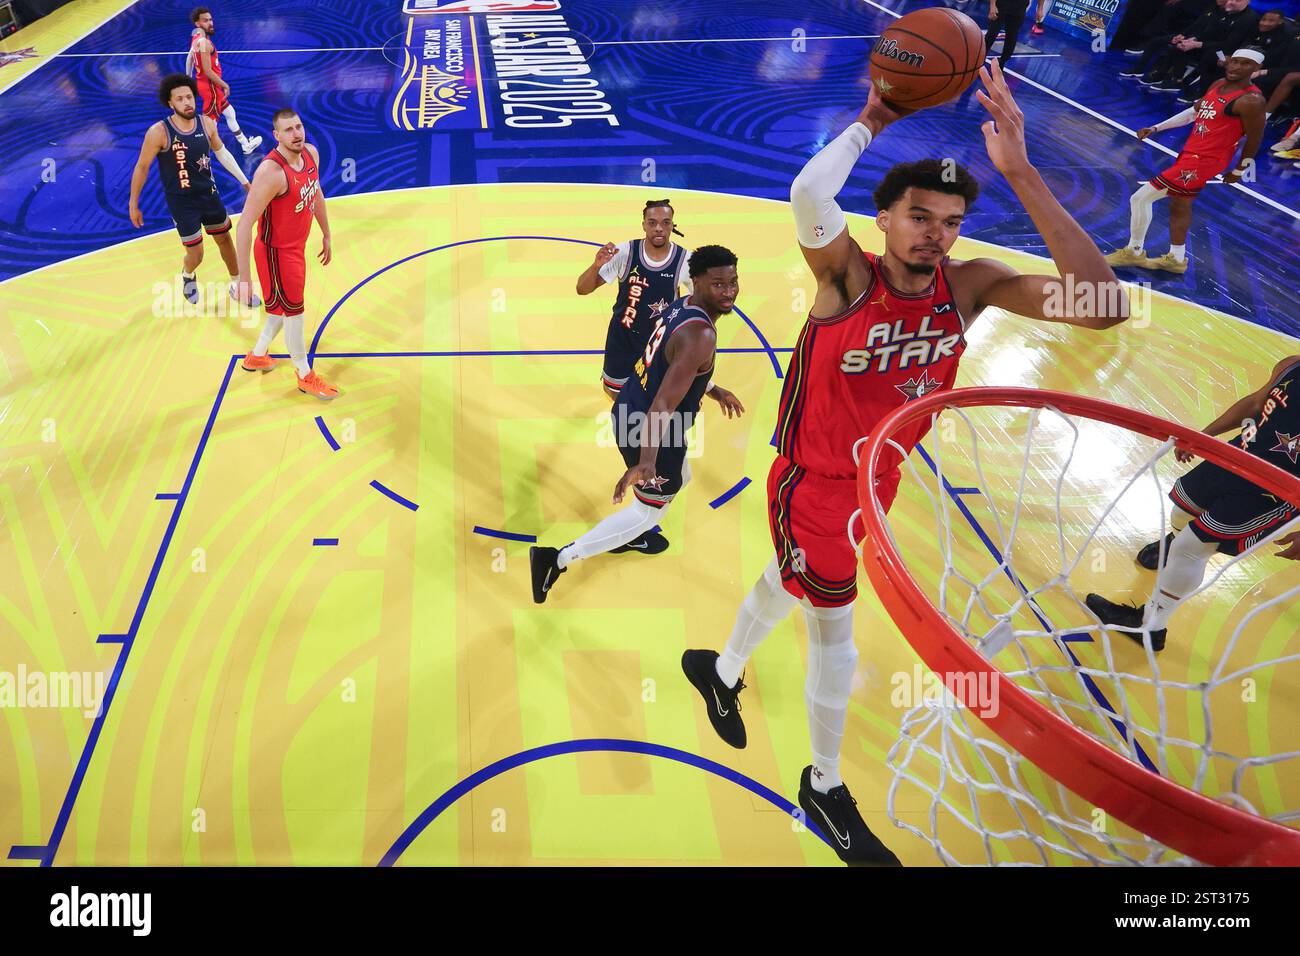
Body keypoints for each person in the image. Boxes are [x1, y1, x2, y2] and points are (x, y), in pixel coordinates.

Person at [680, 61, 1127, 865]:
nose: (936, 233)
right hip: (814, 482)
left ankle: (718, 668)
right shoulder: (846, 278)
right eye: (919, 216)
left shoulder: (971, 286)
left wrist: (1021, 174)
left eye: (951, 221)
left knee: (793, 580)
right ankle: (822, 785)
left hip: (875, 481)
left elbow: (1102, 308)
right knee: (835, 633)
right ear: (883, 220)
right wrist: (874, 118)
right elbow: (809, 199)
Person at [530, 246, 744, 601]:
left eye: (733, 282)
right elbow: (663, 404)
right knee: (647, 511)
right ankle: (557, 559)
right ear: (700, 281)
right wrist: (646, 462)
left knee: (681, 478)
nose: (729, 291)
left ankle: (631, 527)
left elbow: (668, 362)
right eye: (718, 284)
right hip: (652, 427)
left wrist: (712, 388)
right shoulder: (701, 335)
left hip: (630, 404)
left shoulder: (682, 304)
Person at [1087, 354, 1300, 651]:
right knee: (1182, 510)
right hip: (1238, 457)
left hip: (1274, 491)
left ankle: (1150, 626)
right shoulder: (1292, 365)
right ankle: (1171, 545)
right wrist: (1203, 437)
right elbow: (1254, 404)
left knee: (1191, 548)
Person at [575, 200, 744, 553]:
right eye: (652, 222)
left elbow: (692, 315)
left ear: (672, 225)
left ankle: (641, 481)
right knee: (640, 419)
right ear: (643, 224)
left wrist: (708, 386)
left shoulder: (684, 265)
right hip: (627, 357)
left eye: (664, 223)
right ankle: (641, 484)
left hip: (659, 356)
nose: (658, 229)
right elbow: (582, 288)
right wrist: (596, 266)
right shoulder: (624, 252)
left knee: (641, 420)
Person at [1106, 51, 1265, 274]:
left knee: (1140, 198)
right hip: (1191, 153)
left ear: (1255, 70)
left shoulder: (1251, 100)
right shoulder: (1218, 84)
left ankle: (1133, 252)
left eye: (1245, 64)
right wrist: (1156, 128)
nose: (1236, 66)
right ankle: (1177, 259)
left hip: (1206, 161)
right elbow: (1193, 112)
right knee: (1180, 204)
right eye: (1235, 60)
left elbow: (1255, 138)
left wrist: (1240, 169)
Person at [233, 109, 338, 400]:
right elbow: (243, 226)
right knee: (294, 312)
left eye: (299, 126)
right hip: (275, 254)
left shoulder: (312, 155)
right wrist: (244, 279)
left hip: (296, 248)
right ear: (276, 135)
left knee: (281, 308)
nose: (297, 133)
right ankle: (305, 374)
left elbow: (315, 195)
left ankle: (257, 355)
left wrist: (326, 233)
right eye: (288, 130)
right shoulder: (271, 172)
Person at [127, 73, 257, 307]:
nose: (187, 102)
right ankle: (188, 275)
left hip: (209, 195)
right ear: (170, 103)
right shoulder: (158, 132)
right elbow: (142, 167)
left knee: (225, 240)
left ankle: (238, 286)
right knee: (196, 255)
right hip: (182, 203)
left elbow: (223, 154)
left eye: (189, 97)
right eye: (180, 99)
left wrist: (245, 181)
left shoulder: (207, 123)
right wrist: (133, 203)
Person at [185, 6, 263, 156]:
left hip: (206, 86)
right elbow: (208, 71)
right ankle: (197, 156)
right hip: (212, 88)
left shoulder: (196, 38)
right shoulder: (205, 44)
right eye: (205, 21)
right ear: (197, 24)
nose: (210, 23)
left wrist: (188, 78)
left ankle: (245, 144)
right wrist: (224, 84)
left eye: (210, 19)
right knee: (210, 125)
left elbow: (189, 58)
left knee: (230, 113)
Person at [986, 0, 1033, 67]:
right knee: (991, 33)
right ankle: (979, 59)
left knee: (1011, 37)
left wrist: (1040, 8)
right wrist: (992, 6)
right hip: (1001, 4)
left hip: (1020, 7)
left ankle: (1001, 64)